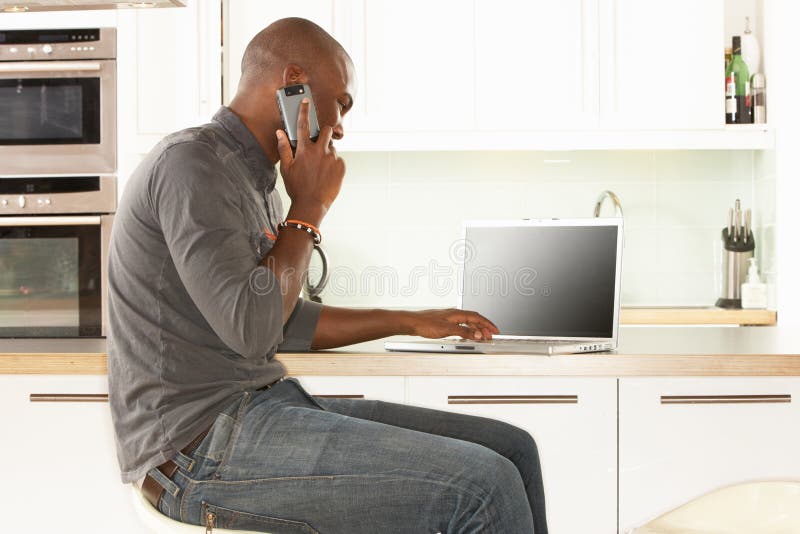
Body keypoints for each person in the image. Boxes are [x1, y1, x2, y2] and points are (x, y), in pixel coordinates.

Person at [107, 17, 548, 534]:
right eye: (341, 103)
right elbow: (252, 330)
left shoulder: (256, 179)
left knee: (513, 450)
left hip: (254, 412)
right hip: (194, 452)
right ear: (293, 82)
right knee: (484, 486)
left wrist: (412, 321)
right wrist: (309, 208)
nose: (339, 127)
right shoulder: (193, 165)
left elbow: (279, 320)